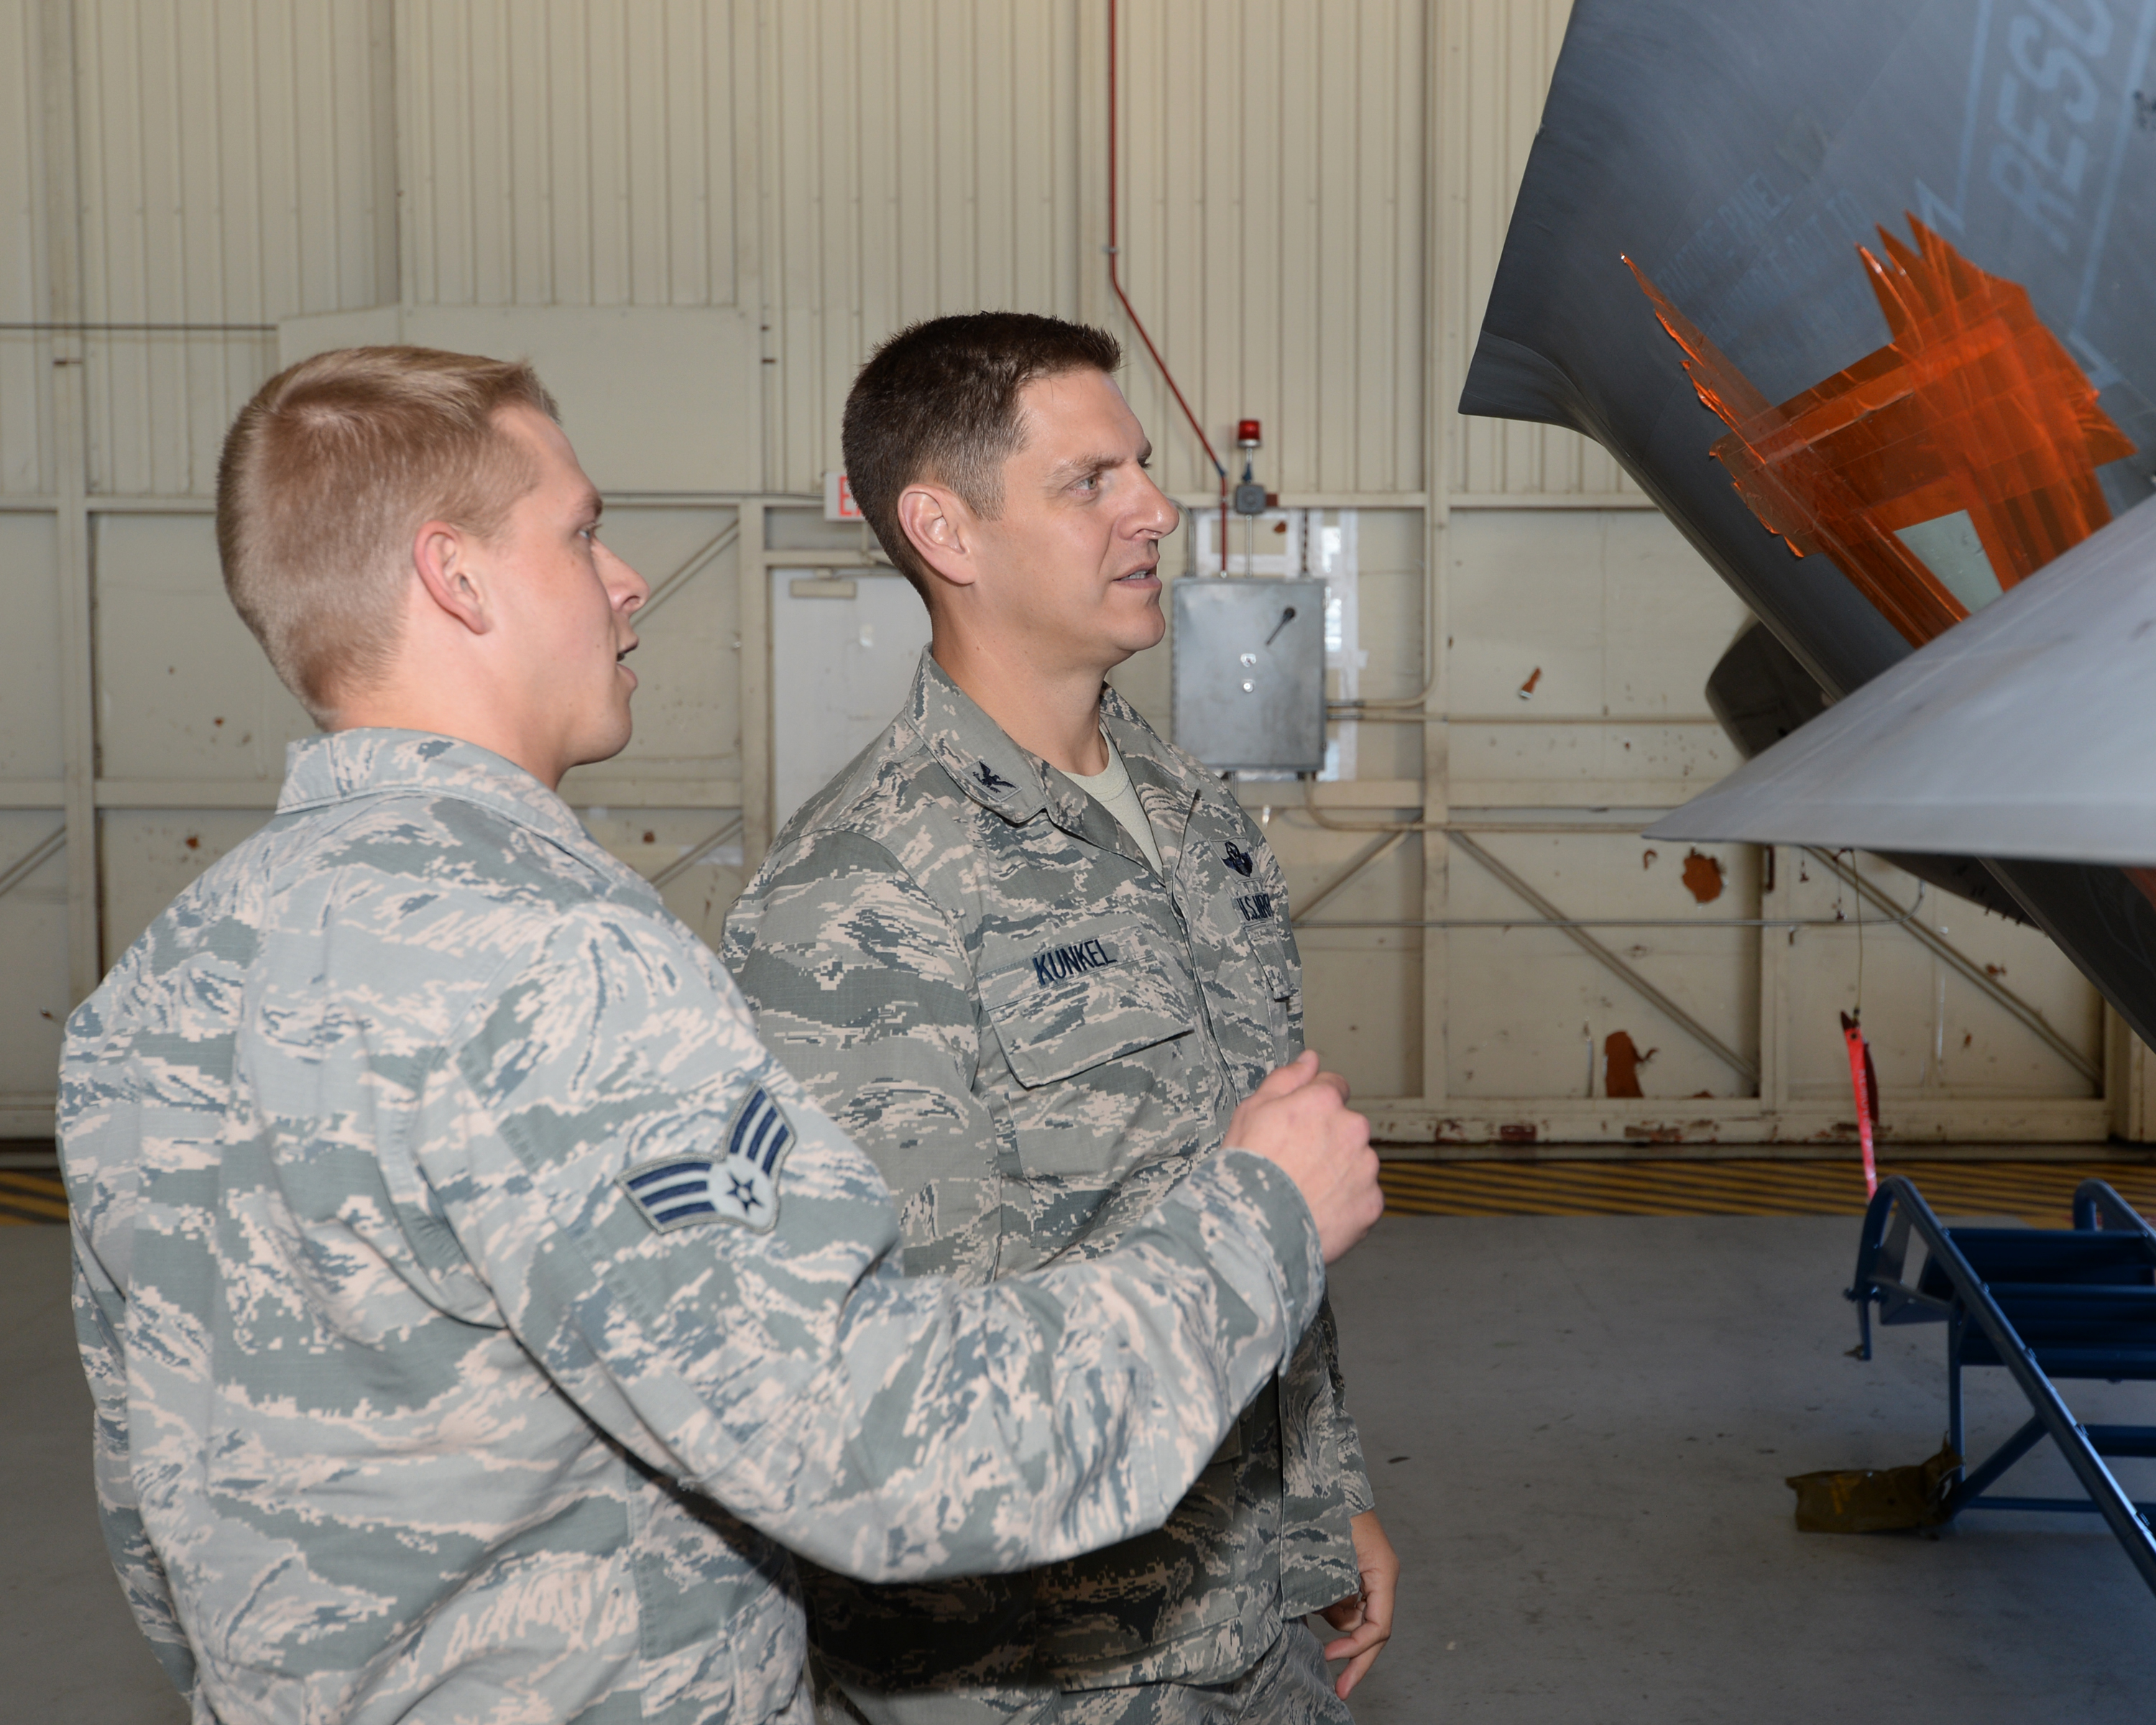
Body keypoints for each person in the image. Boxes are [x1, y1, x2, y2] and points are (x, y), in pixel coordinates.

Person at [57, 345, 1384, 1725]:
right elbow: (882, 1450)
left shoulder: (156, 989)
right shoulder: (559, 963)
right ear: (457, 577)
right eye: (580, 536)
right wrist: (1263, 1216)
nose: (628, 580)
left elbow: (156, 1518)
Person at [721, 313, 1396, 1725]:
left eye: (1140, 468)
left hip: (1255, 1620)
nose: (1157, 509)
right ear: (945, 531)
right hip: (1035, 1671)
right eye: (1092, 481)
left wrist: (1324, 1506)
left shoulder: (1197, 819)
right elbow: (888, 1381)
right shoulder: (857, 895)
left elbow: (1262, 1209)